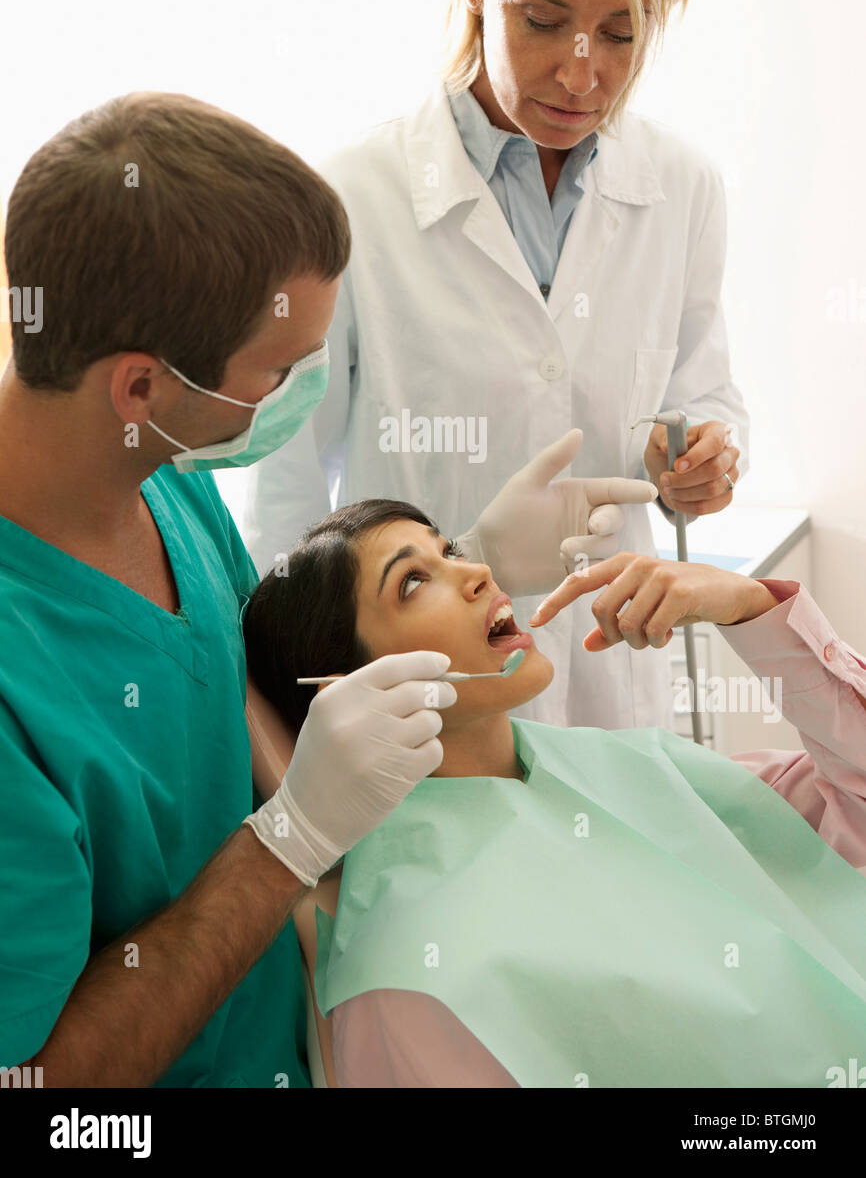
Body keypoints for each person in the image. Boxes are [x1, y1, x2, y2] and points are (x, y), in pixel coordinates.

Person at [0, 91, 652, 1086]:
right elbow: (41, 1083)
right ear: (140, 388)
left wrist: (456, 563)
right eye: (278, 372)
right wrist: (287, 840)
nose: (300, 395)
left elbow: (242, 702)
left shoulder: (160, 480)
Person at [243, 0, 749, 734]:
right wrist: (305, 724)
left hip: (611, 686)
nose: (582, 73)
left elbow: (700, 390)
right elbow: (284, 500)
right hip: (428, 707)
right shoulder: (352, 197)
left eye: (621, 34)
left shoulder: (682, 188)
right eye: (543, 21)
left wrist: (702, 459)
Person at [243, 502, 866, 1089]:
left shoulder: (629, 765)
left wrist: (751, 607)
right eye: (411, 582)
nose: (478, 571)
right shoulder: (414, 981)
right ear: (348, 688)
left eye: (449, 549)